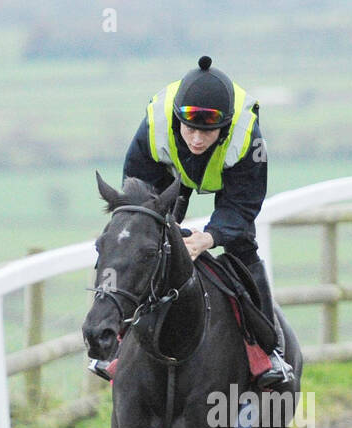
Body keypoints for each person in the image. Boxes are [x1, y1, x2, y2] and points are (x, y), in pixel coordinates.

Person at [116, 55, 293, 389]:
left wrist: (208, 237)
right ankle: (114, 342)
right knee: (142, 244)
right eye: (190, 129)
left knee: (243, 246)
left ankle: (269, 353)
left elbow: (242, 207)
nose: (197, 140)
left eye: (208, 132)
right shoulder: (154, 125)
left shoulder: (246, 135)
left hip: (231, 183)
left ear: (224, 127)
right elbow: (136, 193)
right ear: (176, 120)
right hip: (168, 177)